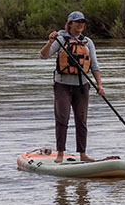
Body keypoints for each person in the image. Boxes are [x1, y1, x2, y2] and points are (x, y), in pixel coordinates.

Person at [39, 11, 104, 163]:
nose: (80, 24)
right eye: (77, 22)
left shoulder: (87, 42)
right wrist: (50, 42)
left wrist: (99, 85)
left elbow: (94, 66)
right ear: (70, 24)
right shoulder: (60, 39)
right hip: (62, 86)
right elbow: (43, 55)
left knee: (81, 120)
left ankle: (83, 154)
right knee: (62, 118)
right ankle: (60, 154)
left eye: (82, 22)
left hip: (82, 87)